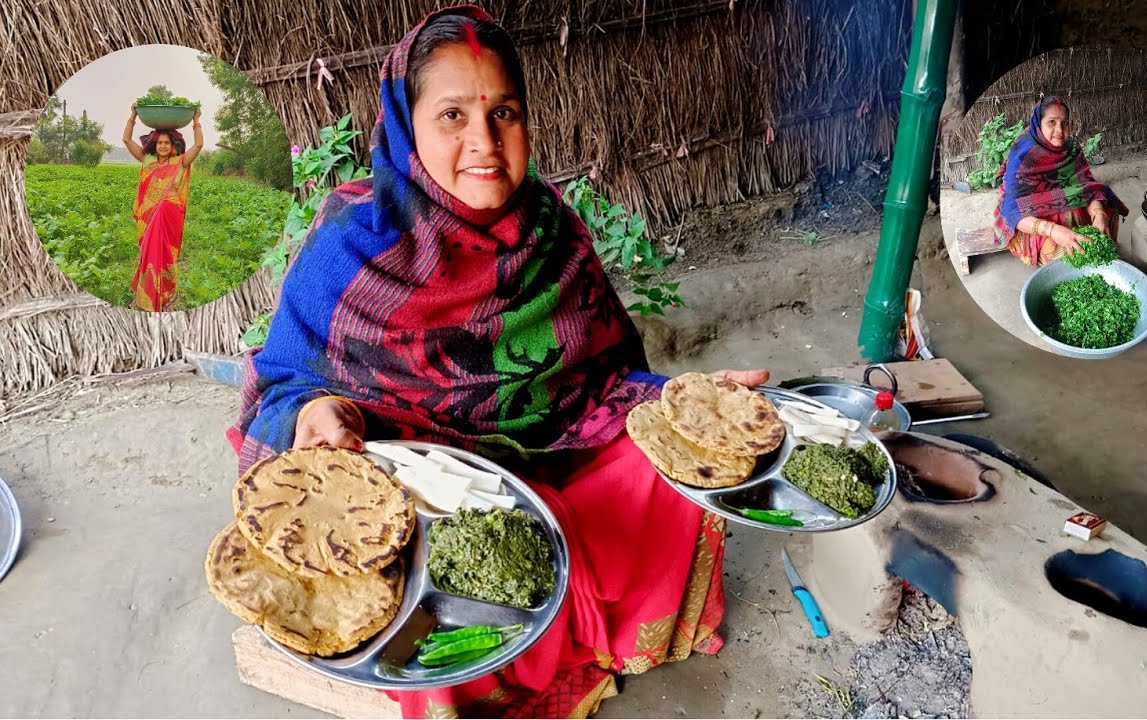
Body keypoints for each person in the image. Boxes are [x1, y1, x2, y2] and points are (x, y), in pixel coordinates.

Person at [227, 6, 768, 718]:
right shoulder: (351, 245)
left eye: (504, 113)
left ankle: (604, 632)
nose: (483, 142)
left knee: (670, 468)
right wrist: (318, 412)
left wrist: (686, 405)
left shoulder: (551, 229)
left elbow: (606, 380)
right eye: (452, 115)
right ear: (405, 124)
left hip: (553, 457)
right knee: (400, 552)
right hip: (426, 488)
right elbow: (286, 383)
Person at [992, 95, 1128, 266]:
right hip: (1032, 217)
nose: (1059, 129)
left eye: (1064, 123)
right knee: (1067, 254)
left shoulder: (1071, 149)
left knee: (1107, 210)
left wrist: (1098, 214)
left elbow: (1087, 187)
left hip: (1065, 202)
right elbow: (1012, 211)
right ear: (1038, 124)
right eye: (1052, 122)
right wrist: (1055, 231)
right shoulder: (1023, 154)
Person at [122, 104, 204, 311]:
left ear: (173, 146)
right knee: (149, 254)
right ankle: (146, 296)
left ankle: (165, 296)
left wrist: (196, 121)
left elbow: (198, 146)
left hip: (170, 217)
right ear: (154, 145)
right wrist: (132, 116)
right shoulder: (147, 161)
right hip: (151, 219)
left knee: (166, 255)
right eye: (160, 143)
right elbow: (126, 140)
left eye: (167, 143)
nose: (163, 146)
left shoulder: (180, 162)